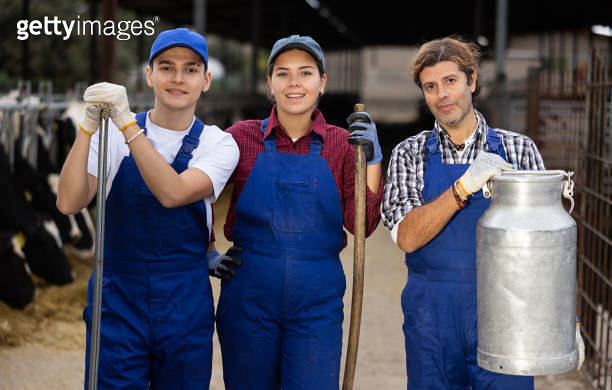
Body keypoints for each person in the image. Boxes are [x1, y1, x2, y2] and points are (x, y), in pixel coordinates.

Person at [56, 28, 239, 389]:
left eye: (190, 69)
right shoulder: (109, 136)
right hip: (117, 298)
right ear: (149, 75)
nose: (177, 78)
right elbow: (68, 202)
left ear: (206, 80)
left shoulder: (218, 143)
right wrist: (89, 126)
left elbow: (172, 194)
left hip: (183, 299)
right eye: (166, 67)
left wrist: (126, 125)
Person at [210, 34, 383, 390]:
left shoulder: (342, 144)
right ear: (269, 84)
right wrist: (205, 248)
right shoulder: (240, 138)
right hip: (248, 298)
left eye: (305, 73)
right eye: (283, 73)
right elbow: (196, 192)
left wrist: (373, 160)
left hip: (316, 302)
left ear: (322, 83)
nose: (294, 83)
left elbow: (361, 226)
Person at [381, 36, 547, 389]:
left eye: (450, 81)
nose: (441, 95)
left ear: (472, 81)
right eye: (430, 86)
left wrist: (563, 319)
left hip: (505, 312)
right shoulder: (409, 155)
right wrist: (464, 186)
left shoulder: (519, 150)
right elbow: (408, 237)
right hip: (431, 316)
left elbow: (545, 247)